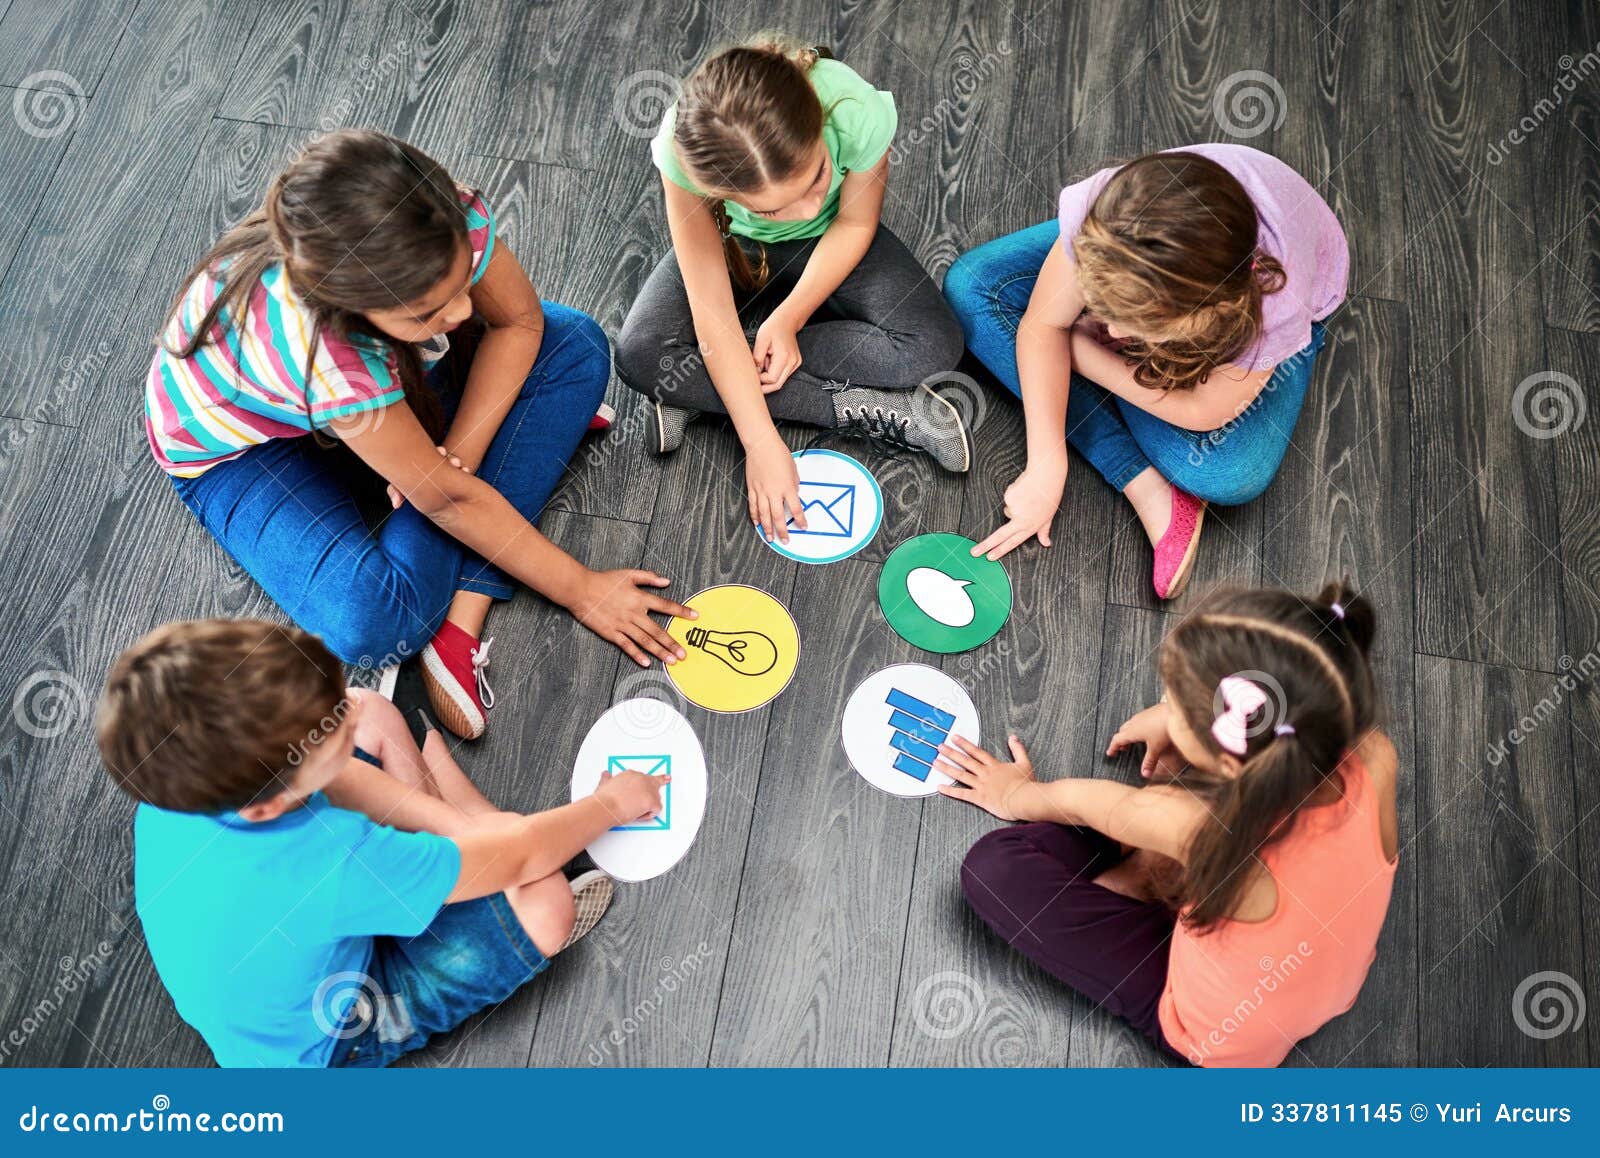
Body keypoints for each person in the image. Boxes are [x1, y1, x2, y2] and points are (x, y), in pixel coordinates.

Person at [145, 129, 695, 740]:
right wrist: (582, 589)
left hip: (373, 405)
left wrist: (450, 460)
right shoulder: (324, 353)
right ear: (351, 308)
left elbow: (519, 321)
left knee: (576, 347)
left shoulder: (435, 214)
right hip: (248, 454)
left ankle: (480, 477)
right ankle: (473, 578)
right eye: (426, 313)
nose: (460, 314)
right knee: (379, 621)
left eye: (461, 284)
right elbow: (449, 499)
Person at [98, 618, 667, 1068]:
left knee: (372, 713)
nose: (342, 707)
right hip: (337, 1035)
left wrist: (463, 832)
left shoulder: (182, 786)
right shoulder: (329, 861)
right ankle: (475, 827)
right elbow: (515, 859)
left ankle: (470, 821)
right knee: (544, 898)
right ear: (265, 807)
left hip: (287, 956)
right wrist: (611, 804)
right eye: (326, 728)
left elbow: (342, 770)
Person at [947, 584, 1397, 1066]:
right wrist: (1179, 722)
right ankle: (1141, 869)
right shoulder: (1373, 755)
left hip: (1213, 1035)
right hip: (1318, 987)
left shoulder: (1203, 830)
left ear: (1230, 761)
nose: (1165, 701)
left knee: (994, 870)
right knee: (1163, 823)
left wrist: (1015, 794)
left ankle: (1137, 875)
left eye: (1174, 700)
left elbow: (1093, 803)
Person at [944, 146, 1348, 597]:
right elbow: (1043, 323)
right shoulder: (1109, 212)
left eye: (1129, 324)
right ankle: (1143, 480)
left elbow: (1204, 411)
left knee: (1228, 473)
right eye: (1101, 305)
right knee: (971, 290)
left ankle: (1096, 375)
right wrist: (1045, 463)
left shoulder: (1276, 305)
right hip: (1164, 252)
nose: (1109, 327)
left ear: (1198, 317)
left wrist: (1076, 348)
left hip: (1281, 301)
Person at [615, 38, 969, 544]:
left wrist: (789, 318)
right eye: (771, 209)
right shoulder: (681, 152)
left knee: (934, 344)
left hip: (836, 243)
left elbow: (850, 223)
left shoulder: (853, 108)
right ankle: (868, 408)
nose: (805, 211)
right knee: (639, 355)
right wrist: (760, 442)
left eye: (818, 176)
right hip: (734, 251)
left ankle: (708, 392)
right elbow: (712, 310)